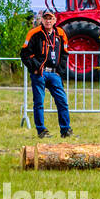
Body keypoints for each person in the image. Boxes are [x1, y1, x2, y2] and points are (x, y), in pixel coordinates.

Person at [20, 10, 72, 139]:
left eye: (51, 18)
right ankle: (41, 130)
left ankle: (65, 130)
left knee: (62, 101)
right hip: (40, 74)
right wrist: (36, 68)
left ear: (55, 20)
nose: (48, 21)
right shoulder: (34, 33)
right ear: (41, 20)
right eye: (46, 18)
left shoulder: (60, 33)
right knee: (39, 103)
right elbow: (25, 54)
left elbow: (65, 53)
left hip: (55, 74)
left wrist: (60, 72)